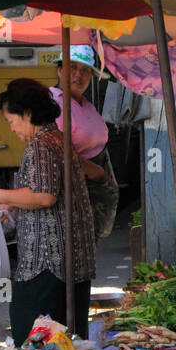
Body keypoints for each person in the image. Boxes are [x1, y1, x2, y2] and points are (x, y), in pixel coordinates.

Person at [0, 79, 94, 344]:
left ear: (28, 115)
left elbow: (44, 195)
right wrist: (14, 203)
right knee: (67, 338)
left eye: (12, 121)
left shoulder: (41, 145)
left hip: (48, 261)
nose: (12, 129)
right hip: (71, 258)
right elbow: (44, 189)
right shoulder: (58, 139)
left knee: (28, 327)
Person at [49, 44, 117, 237]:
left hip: (95, 192)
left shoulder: (85, 104)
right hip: (75, 190)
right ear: (60, 70)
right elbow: (56, 150)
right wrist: (96, 173)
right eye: (72, 67)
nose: (79, 75)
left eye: (85, 70)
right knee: (76, 250)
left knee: (87, 251)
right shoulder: (53, 103)